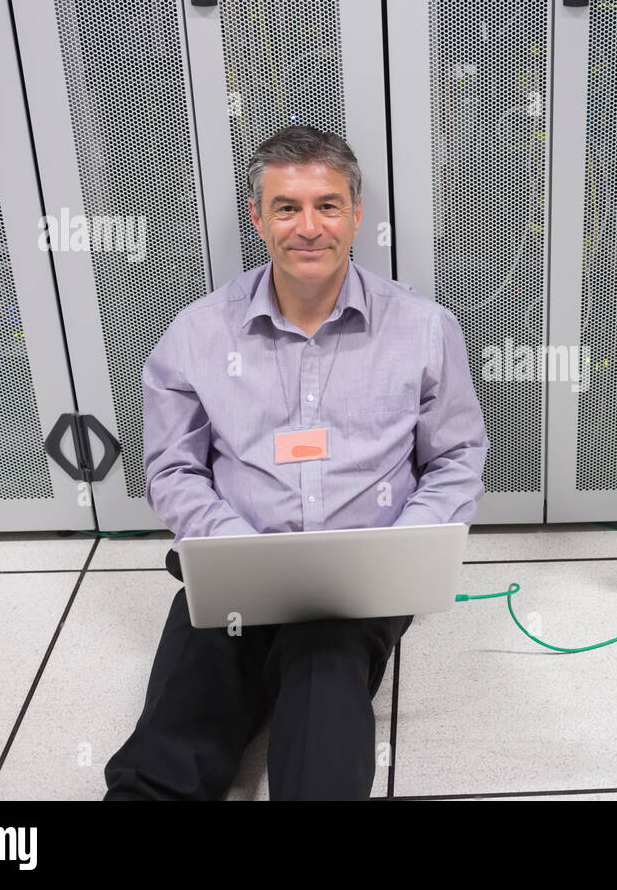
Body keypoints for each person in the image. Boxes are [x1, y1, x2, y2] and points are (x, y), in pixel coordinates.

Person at [103, 126, 489, 800]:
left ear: (357, 214)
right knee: (193, 689)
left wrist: (400, 555)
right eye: (287, 207)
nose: (308, 227)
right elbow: (172, 469)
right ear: (258, 218)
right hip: (236, 558)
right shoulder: (196, 334)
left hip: (358, 578)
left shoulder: (424, 329)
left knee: (323, 668)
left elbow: (458, 457)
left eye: (328, 206)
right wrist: (234, 550)